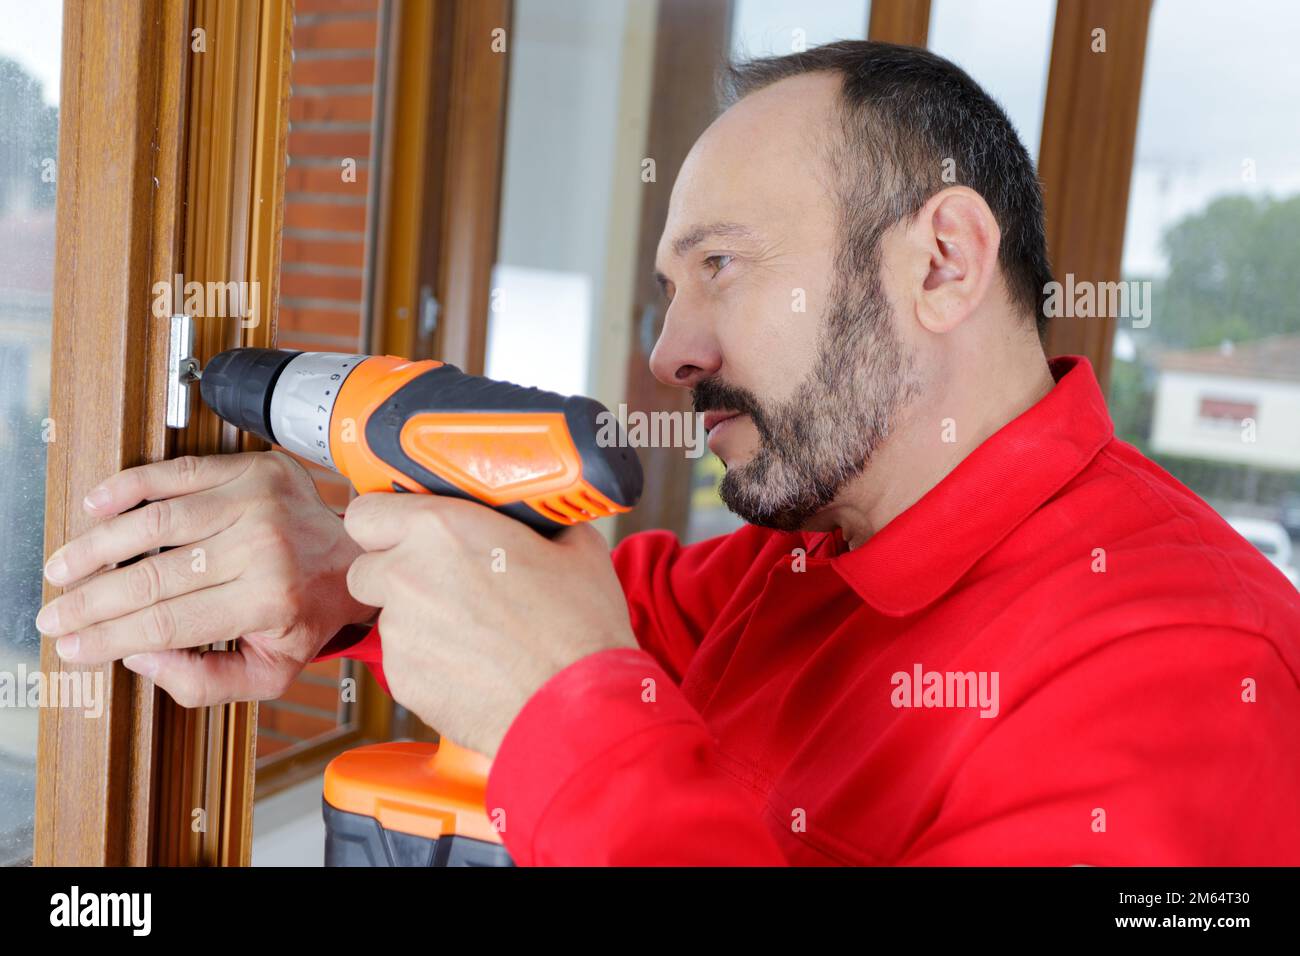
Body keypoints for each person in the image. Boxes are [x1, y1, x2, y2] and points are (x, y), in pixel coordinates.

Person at [35, 41, 1300, 865]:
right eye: (666, 286)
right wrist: (331, 569)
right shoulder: (800, 560)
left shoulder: (1189, 669)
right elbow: (622, 610)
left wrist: (566, 712)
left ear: (941, 261)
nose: (669, 350)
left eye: (721, 267)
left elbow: (591, 669)